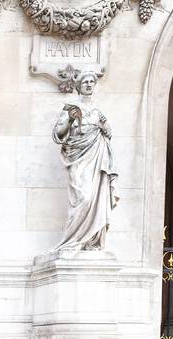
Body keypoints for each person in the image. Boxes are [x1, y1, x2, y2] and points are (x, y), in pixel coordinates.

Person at [52, 70, 118, 253]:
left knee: (94, 197)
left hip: (96, 155)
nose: (89, 84)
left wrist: (105, 126)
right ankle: (72, 241)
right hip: (77, 156)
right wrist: (70, 119)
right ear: (79, 86)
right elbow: (58, 134)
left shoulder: (98, 111)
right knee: (83, 197)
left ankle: (90, 240)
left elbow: (109, 134)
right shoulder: (70, 108)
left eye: (91, 82)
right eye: (85, 82)